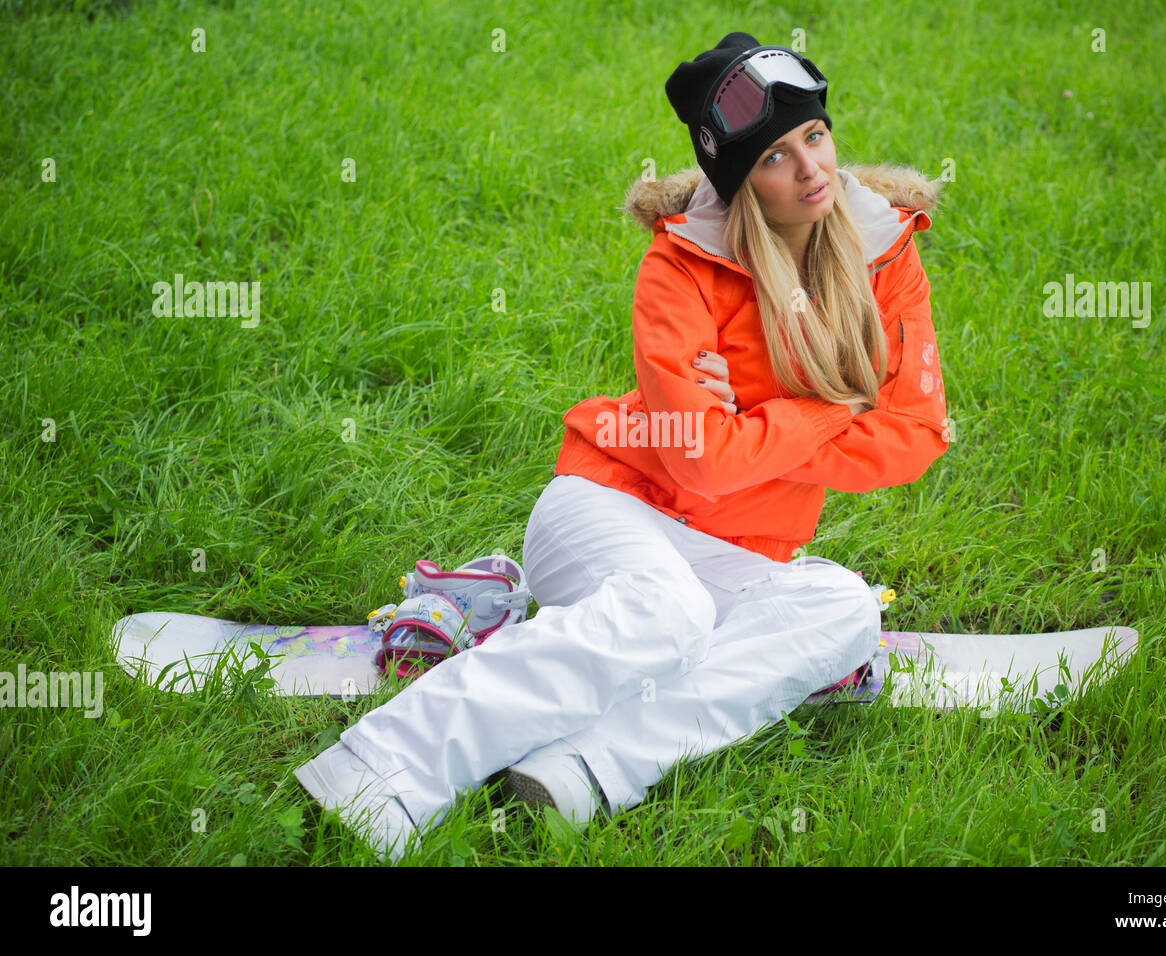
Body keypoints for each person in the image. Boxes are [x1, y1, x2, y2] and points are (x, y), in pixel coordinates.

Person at [294, 31, 949, 861]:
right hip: (610, 505)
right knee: (664, 613)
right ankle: (378, 770)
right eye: (777, 156)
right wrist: (836, 402)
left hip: (738, 550)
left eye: (815, 136)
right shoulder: (679, 265)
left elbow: (916, 436)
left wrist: (750, 416)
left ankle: (579, 768)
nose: (812, 167)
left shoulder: (887, 254)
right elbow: (701, 460)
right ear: (741, 180)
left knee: (843, 607)